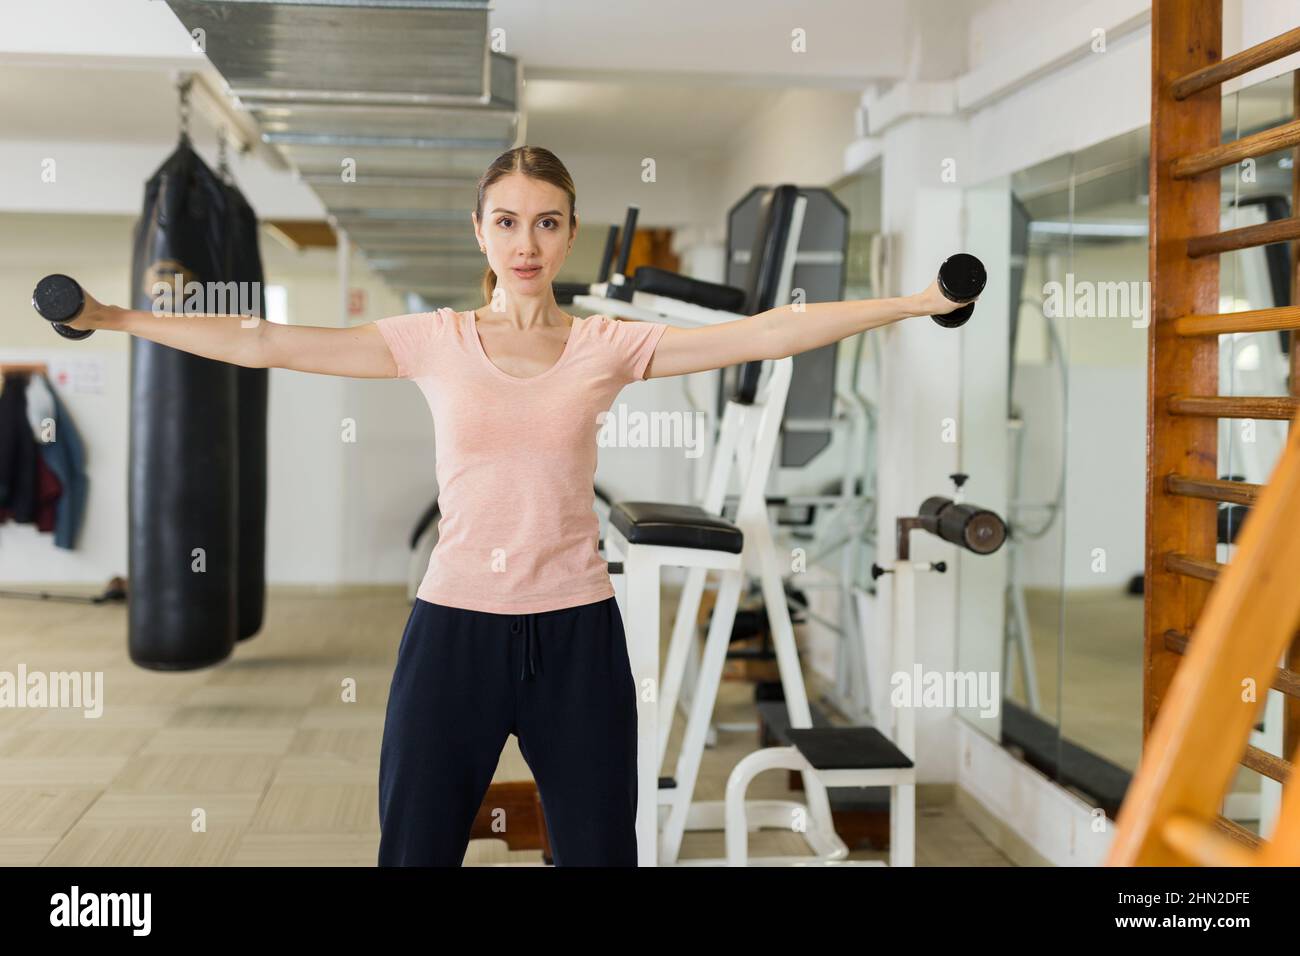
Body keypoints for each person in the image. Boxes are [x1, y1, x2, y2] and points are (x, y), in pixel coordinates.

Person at [62, 145, 971, 866]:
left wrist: (918, 302)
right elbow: (265, 341)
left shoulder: (607, 345)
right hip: (454, 629)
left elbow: (766, 333)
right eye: (506, 222)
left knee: (602, 852)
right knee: (416, 850)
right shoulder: (434, 341)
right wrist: (114, 318)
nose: (525, 242)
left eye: (544, 223)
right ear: (480, 232)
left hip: (577, 633)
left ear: (570, 233)